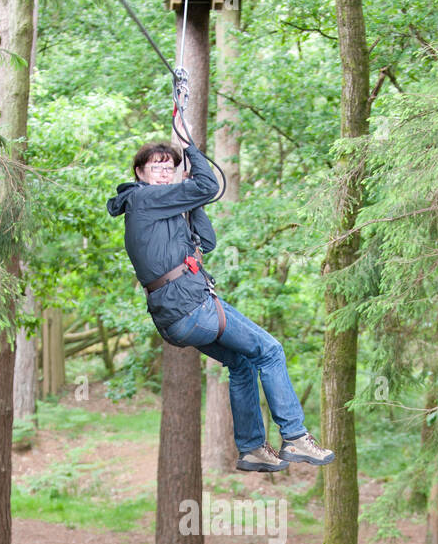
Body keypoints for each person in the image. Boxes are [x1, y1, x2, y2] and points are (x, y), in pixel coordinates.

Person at [106, 140, 334, 472]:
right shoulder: (142, 199)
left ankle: (253, 447)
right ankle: (295, 436)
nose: (163, 173)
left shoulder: (164, 209)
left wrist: (191, 201)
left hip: (179, 317)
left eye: (169, 167)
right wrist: (191, 155)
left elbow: (207, 241)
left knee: (241, 364)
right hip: (192, 307)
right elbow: (209, 185)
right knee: (270, 351)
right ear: (140, 173)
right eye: (155, 167)